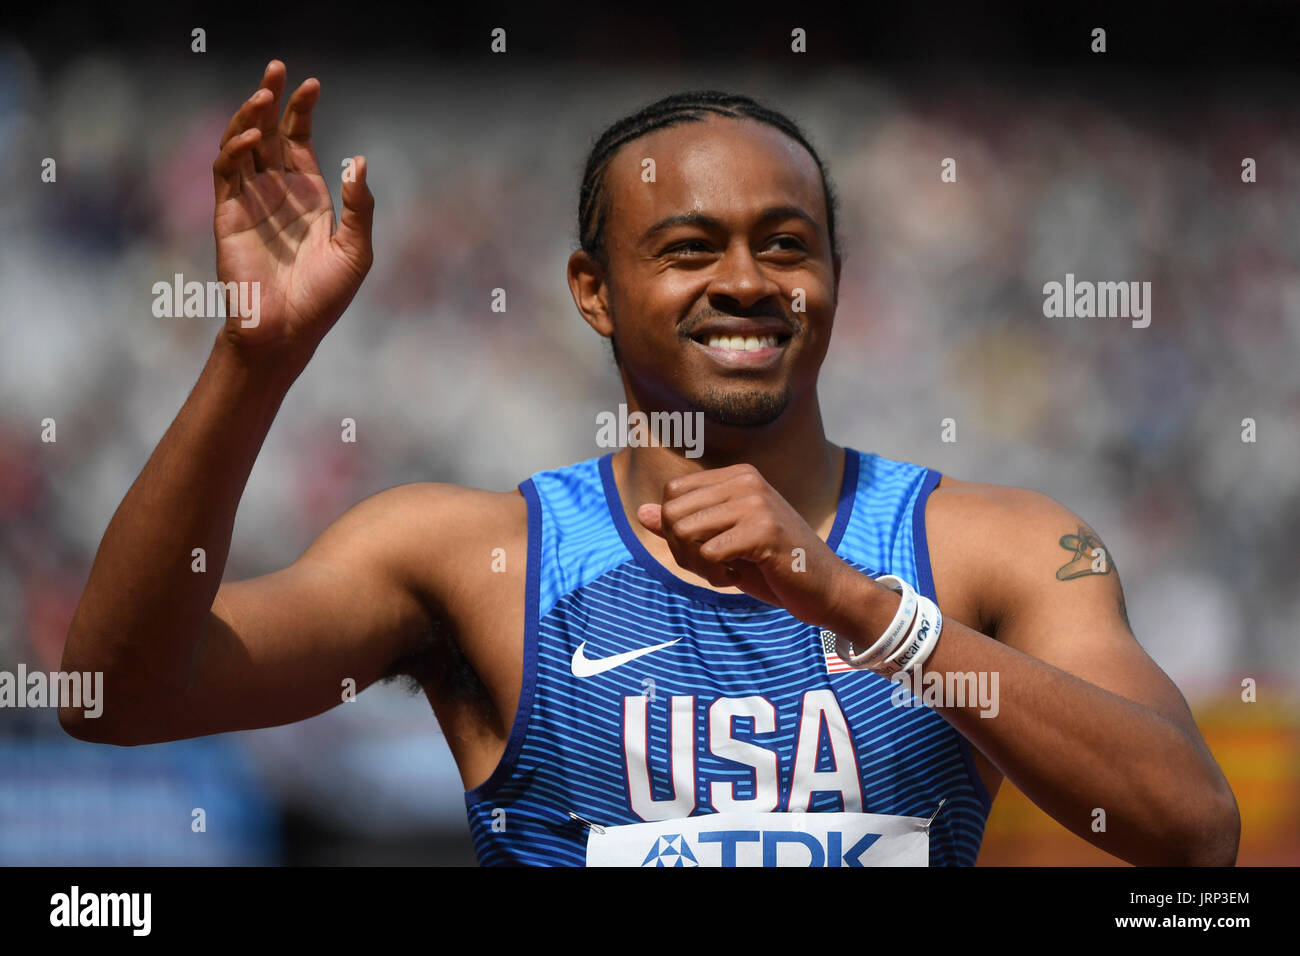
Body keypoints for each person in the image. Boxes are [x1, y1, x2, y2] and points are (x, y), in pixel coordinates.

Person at [60, 60, 1239, 866]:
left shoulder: (995, 545)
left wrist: (859, 606)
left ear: (834, 277)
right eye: (687, 248)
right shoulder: (468, 559)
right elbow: (113, 697)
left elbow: (1190, 831)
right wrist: (255, 358)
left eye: (787, 244)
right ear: (593, 292)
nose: (744, 280)